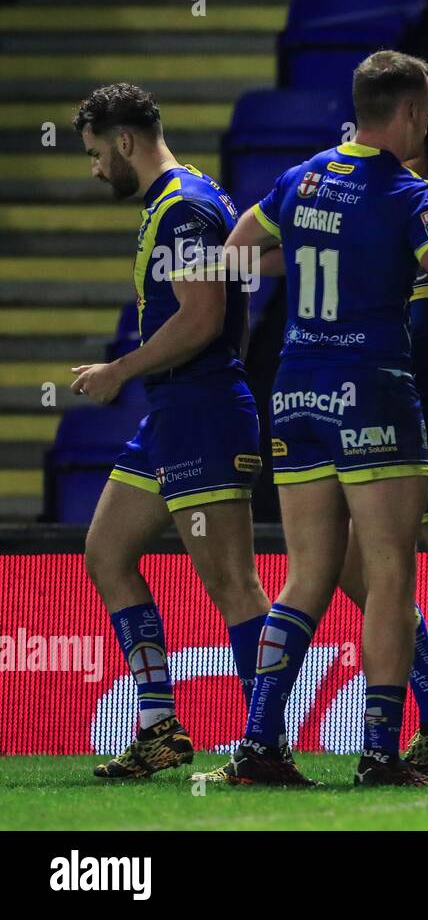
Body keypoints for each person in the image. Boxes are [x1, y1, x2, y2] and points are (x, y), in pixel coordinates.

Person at [217, 50, 428, 786]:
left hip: (296, 387)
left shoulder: (301, 176)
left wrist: (314, 252)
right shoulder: (410, 196)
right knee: (390, 575)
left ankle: (258, 746)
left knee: (304, 576)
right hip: (371, 391)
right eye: (427, 110)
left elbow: (239, 252)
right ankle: (379, 752)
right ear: (406, 112)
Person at [72, 82, 271, 780]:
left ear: (124, 141)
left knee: (232, 584)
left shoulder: (184, 207)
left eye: (98, 153)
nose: (96, 168)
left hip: (203, 409)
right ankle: (159, 726)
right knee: (106, 550)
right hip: (173, 415)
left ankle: (264, 743)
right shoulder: (187, 197)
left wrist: (119, 369)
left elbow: (200, 318)